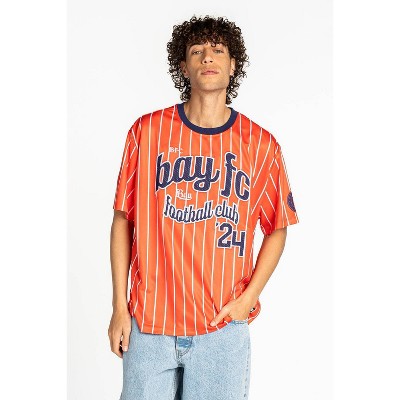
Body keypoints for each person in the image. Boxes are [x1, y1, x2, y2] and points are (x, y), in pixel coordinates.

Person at [108, 14, 299, 400]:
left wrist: (249, 299)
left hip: (220, 330)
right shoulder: (147, 132)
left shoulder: (261, 145)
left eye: (218, 50)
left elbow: (277, 226)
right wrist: (119, 307)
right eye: (196, 51)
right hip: (150, 325)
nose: (207, 57)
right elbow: (123, 220)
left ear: (233, 65)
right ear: (183, 66)